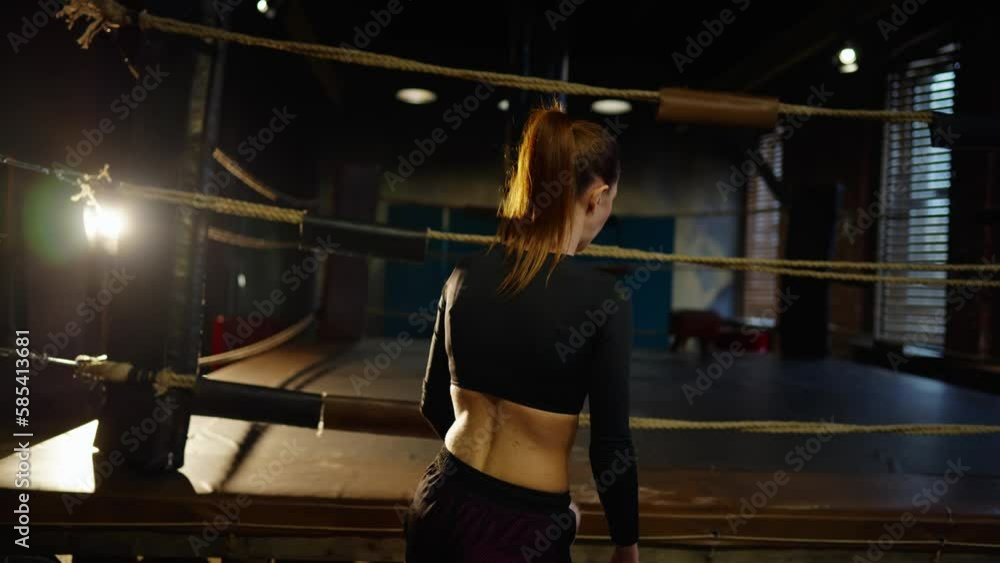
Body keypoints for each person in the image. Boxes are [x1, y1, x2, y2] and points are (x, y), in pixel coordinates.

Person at [404, 102, 639, 563]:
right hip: (522, 529)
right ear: (597, 197)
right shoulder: (606, 300)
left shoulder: (464, 274)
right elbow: (611, 445)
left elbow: (432, 401)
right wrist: (625, 543)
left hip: (440, 500)